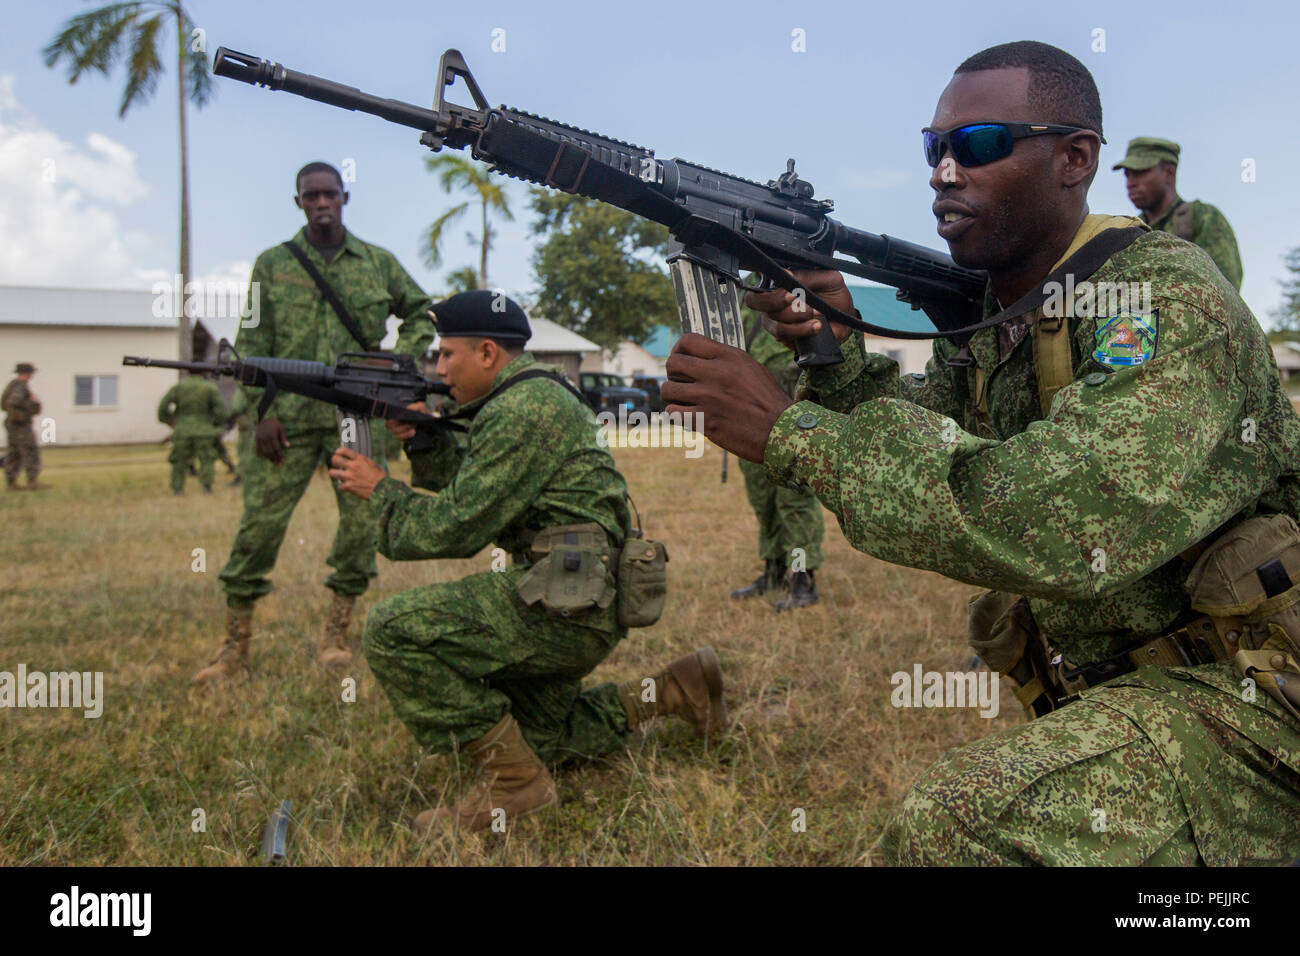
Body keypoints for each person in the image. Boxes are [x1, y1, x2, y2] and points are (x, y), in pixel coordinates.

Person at [662, 40, 1300, 865]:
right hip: (1151, 686)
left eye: (981, 143)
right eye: (934, 147)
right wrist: (832, 351)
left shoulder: (1165, 299)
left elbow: (1060, 521)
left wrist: (790, 433)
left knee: (960, 826)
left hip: (1260, 695)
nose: (944, 171)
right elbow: (936, 435)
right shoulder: (1013, 320)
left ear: (1076, 159)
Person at [328, 290, 725, 833]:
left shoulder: (522, 409)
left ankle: (516, 787)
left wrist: (381, 492)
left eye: (447, 354)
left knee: (393, 629)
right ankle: (677, 688)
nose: (439, 369)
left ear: (487, 353)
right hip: (577, 596)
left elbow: (459, 524)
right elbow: (479, 488)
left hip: (567, 603)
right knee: (544, 740)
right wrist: (424, 441)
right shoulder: (529, 396)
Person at [196, 161, 435, 681]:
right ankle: (235, 650)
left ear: (344, 197)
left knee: (359, 525)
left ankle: (336, 635)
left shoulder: (376, 263)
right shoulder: (272, 264)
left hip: (355, 414)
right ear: (299, 203)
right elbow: (253, 344)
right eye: (311, 197)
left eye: (329, 195)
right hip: (286, 419)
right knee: (259, 528)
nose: (321, 204)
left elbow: (422, 312)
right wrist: (260, 414)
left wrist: (397, 361)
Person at [731, 320, 824, 610]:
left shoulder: (792, 284)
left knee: (793, 501)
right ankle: (774, 569)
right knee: (764, 501)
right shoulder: (738, 291)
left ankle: (801, 577)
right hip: (748, 414)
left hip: (791, 413)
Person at [1114, 137, 1243, 290]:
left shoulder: (1202, 217)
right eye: (1127, 175)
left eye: (1140, 172)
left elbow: (1226, 289)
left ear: (1169, 173)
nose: (1130, 183)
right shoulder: (1130, 230)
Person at [157, 371, 228, 494]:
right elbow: (221, 412)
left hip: (182, 429)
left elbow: (162, 407)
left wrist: (171, 421)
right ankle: (207, 487)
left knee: (179, 460)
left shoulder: (179, 387)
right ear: (204, 372)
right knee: (206, 459)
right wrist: (215, 425)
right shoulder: (210, 387)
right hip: (204, 430)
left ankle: (178, 489)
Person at [2, 363, 48, 491]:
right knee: (30, 450)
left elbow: (5, 404)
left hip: (12, 423)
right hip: (20, 425)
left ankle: (11, 483)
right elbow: (14, 401)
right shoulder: (20, 387)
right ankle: (32, 481)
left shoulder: (12, 385)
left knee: (14, 453)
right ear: (27, 373)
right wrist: (32, 402)